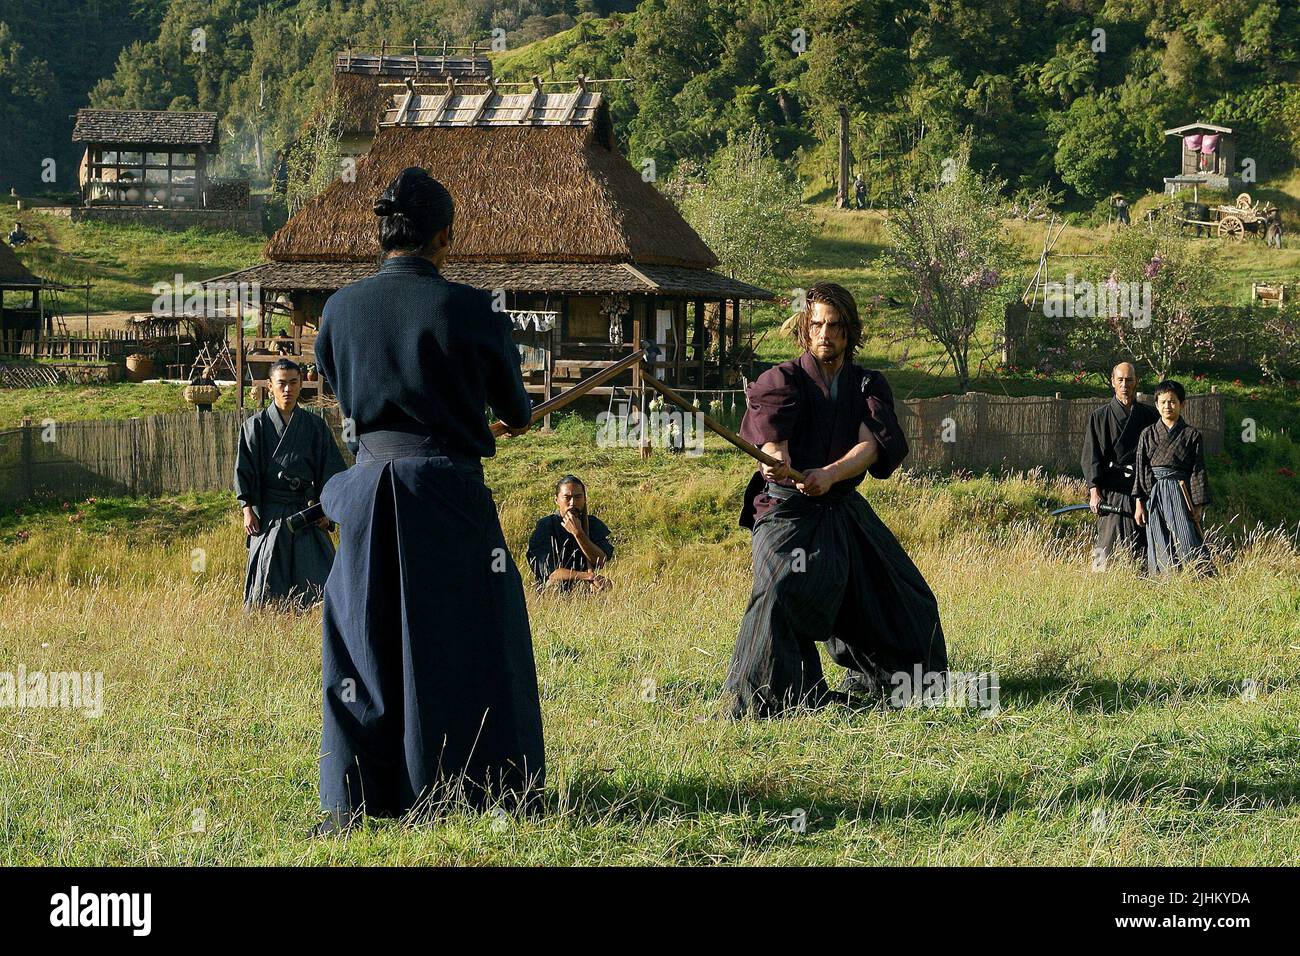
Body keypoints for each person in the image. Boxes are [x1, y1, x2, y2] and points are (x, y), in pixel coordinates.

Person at [313, 167, 544, 832]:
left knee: (365, 638)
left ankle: (362, 795)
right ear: (445, 235)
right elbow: (517, 411)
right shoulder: (473, 311)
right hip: (446, 490)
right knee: (468, 638)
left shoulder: (338, 310)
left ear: (383, 232)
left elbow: (344, 395)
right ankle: (476, 784)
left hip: (363, 494)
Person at [726, 282, 948, 718]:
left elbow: (870, 446)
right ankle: (770, 700)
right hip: (786, 510)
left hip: (841, 506)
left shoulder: (867, 384)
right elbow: (773, 442)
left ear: (848, 333)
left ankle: (900, 684)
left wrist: (829, 474)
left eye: (833, 325)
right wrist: (775, 460)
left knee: (906, 595)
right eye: (816, 325)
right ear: (806, 331)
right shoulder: (781, 380)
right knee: (780, 588)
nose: (823, 333)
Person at [234, 358, 345, 611]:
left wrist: (326, 513)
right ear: (270, 386)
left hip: (306, 512)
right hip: (270, 514)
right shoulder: (255, 427)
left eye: (293, 383)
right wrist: (247, 510)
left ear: (300, 385)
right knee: (268, 585)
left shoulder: (315, 427)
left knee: (322, 584)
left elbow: (332, 473)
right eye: (281, 383)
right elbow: (244, 470)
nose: (287, 389)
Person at [1080, 361, 1160, 568]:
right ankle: (1098, 578)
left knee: (1142, 540)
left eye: (1129, 380)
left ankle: (1143, 579)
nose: (1125, 384)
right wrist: (1094, 492)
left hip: (1142, 487)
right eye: (1120, 380)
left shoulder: (1150, 415)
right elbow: (1092, 456)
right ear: (1113, 382)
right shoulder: (1100, 417)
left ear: (1136, 382)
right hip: (1111, 488)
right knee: (1106, 539)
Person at [1133, 380, 1212, 575]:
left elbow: (1197, 470)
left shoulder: (1191, 435)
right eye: (1163, 402)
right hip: (1155, 492)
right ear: (1157, 404)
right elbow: (1141, 470)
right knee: (1159, 537)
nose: (1168, 406)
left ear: (1182, 404)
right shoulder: (1147, 434)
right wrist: (1139, 503)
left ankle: (1198, 576)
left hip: (1181, 492)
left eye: (1173, 402)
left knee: (1187, 537)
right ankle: (1165, 580)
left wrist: (1198, 506)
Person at [526, 475, 614, 592]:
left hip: (586, 586)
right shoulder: (546, 526)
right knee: (555, 585)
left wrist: (579, 534)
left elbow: (601, 560)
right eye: (567, 498)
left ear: (584, 499)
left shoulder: (592, 524)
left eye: (578, 497)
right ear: (557, 500)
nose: (573, 503)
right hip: (555, 590)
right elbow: (552, 574)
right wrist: (588, 576)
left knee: (605, 585)